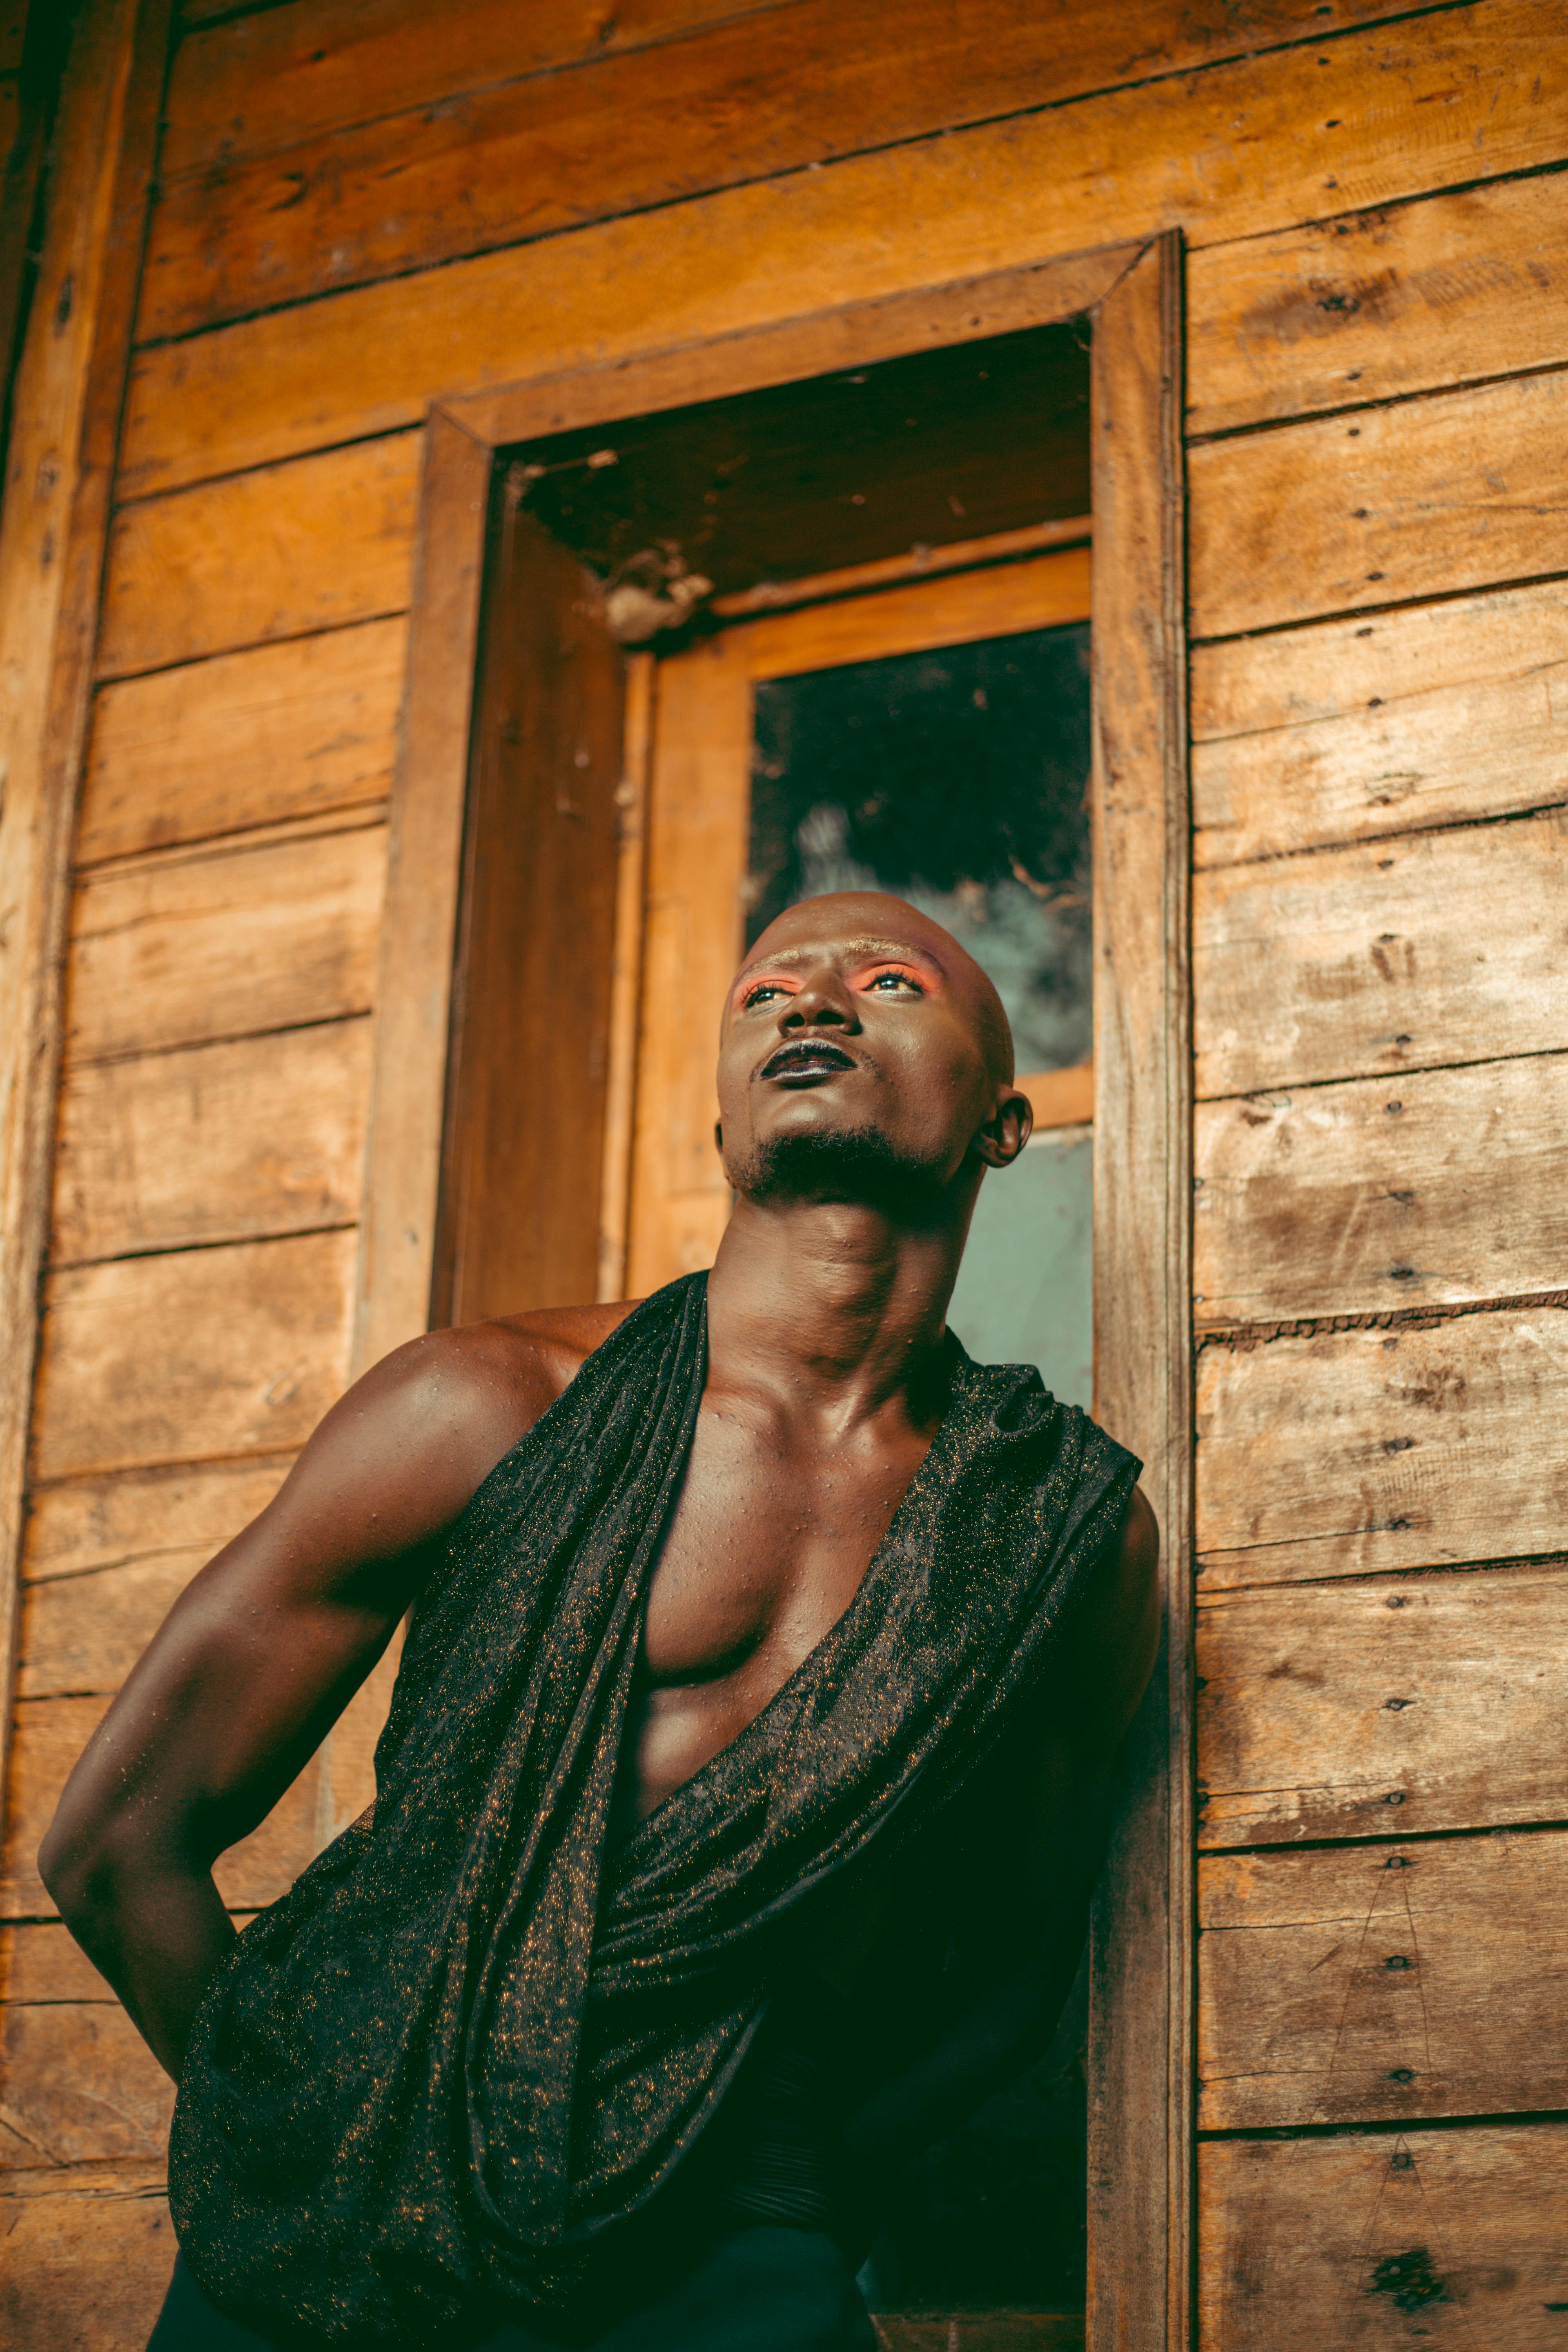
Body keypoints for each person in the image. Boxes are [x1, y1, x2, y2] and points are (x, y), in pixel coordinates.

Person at [41, 890, 1158, 2352]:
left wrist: (799, 2200)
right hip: (337, 2218)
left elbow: (1016, 1964)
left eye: (890, 981)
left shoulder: (1061, 1535)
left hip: (736, 2229)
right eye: (766, 995)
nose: (813, 1006)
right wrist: (316, 2150)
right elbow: (116, 1842)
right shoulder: (484, 1405)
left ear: (1005, 1126)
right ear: (721, 1133)